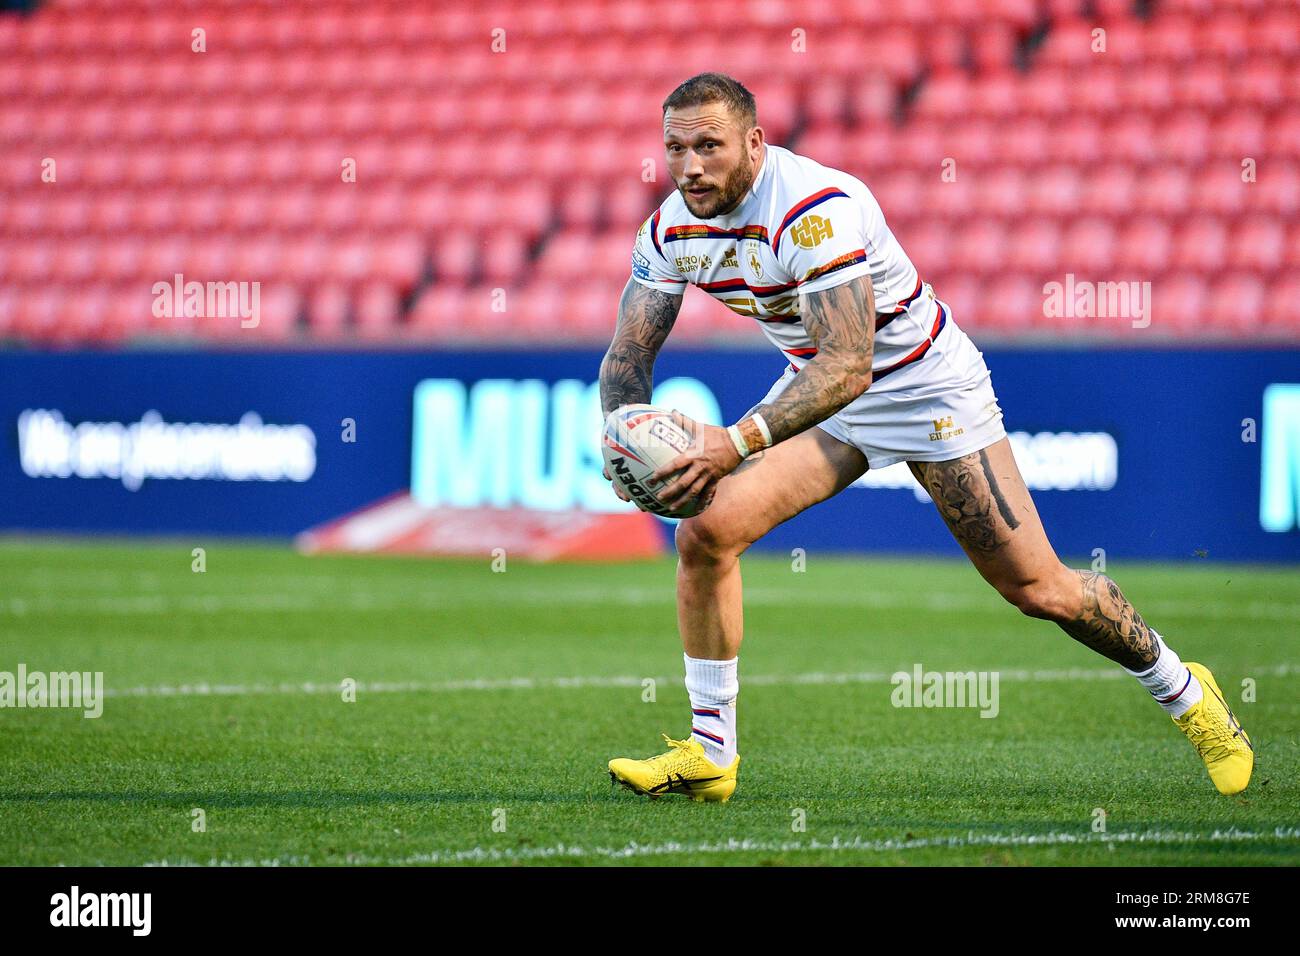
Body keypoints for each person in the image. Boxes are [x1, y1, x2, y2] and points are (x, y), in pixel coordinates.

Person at [598, 72, 1252, 802]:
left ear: (754, 141)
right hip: (826, 394)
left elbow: (850, 365)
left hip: (924, 387)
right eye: (676, 148)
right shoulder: (669, 230)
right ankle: (711, 753)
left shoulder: (814, 210)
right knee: (707, 534)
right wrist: (620, 437)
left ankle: (1188, 693)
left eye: (709, 146)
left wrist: (736, 442)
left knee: (1039, 589)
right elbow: (628, 358)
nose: (690, 166)